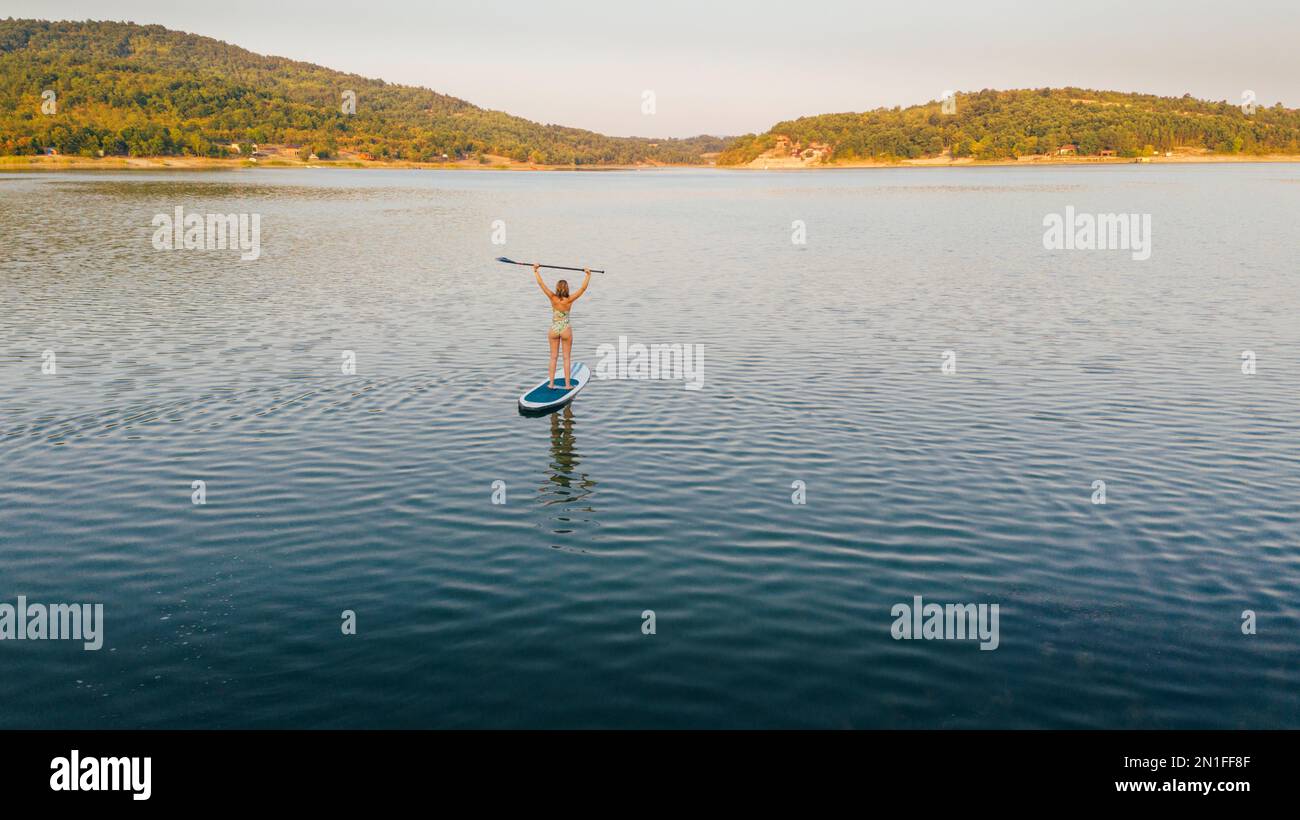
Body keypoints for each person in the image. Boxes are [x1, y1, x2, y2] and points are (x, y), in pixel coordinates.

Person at [533, 263, 591, 389]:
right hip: (565, 329)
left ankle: (551, 384)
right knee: (566, 358)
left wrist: (536, 271)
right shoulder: (569, 300)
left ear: (557, 288)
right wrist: (588, 275)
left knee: (553, 357)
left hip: (554, 329)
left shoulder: (552, 297)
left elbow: (541, 284)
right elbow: (582, 289)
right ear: (567, 288)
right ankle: (568, 385)